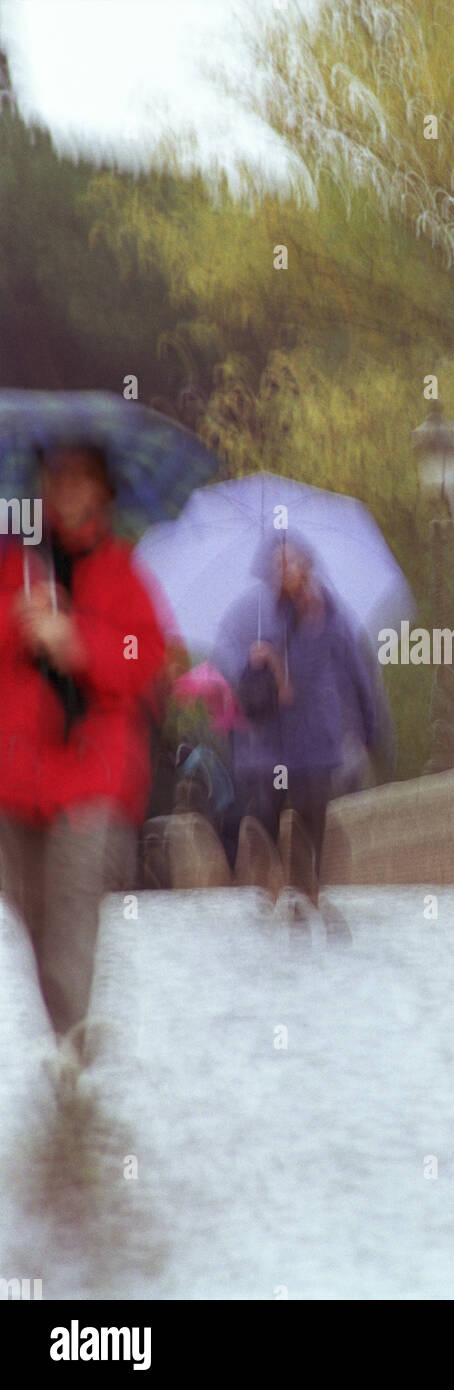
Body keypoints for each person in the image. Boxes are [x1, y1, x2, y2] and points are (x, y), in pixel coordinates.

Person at [0, 442, 166, 1084]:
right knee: (31, 911)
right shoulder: (15, 566)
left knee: (72, 906)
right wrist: (18, 627)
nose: (64, 489)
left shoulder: (124, 573)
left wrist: (78, 642)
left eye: (79, 478)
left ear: (102, 490)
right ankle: (66, 1029)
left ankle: (72, 1044)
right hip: (17, 778)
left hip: (92, 779)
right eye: (54, 477)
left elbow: (146, 660)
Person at [213, 530, 377, 905]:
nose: (280, 572)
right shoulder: (267, 617)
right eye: (275, 566)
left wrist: (369, 728)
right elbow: (262, 687)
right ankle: (270, 885)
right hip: (274, 745)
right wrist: (259, 661)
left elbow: (354, 675)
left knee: (311, 824)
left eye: (286, 564)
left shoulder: (331, 620)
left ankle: (310, 891)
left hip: (316, 743)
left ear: (306, 567)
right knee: (266, 815)